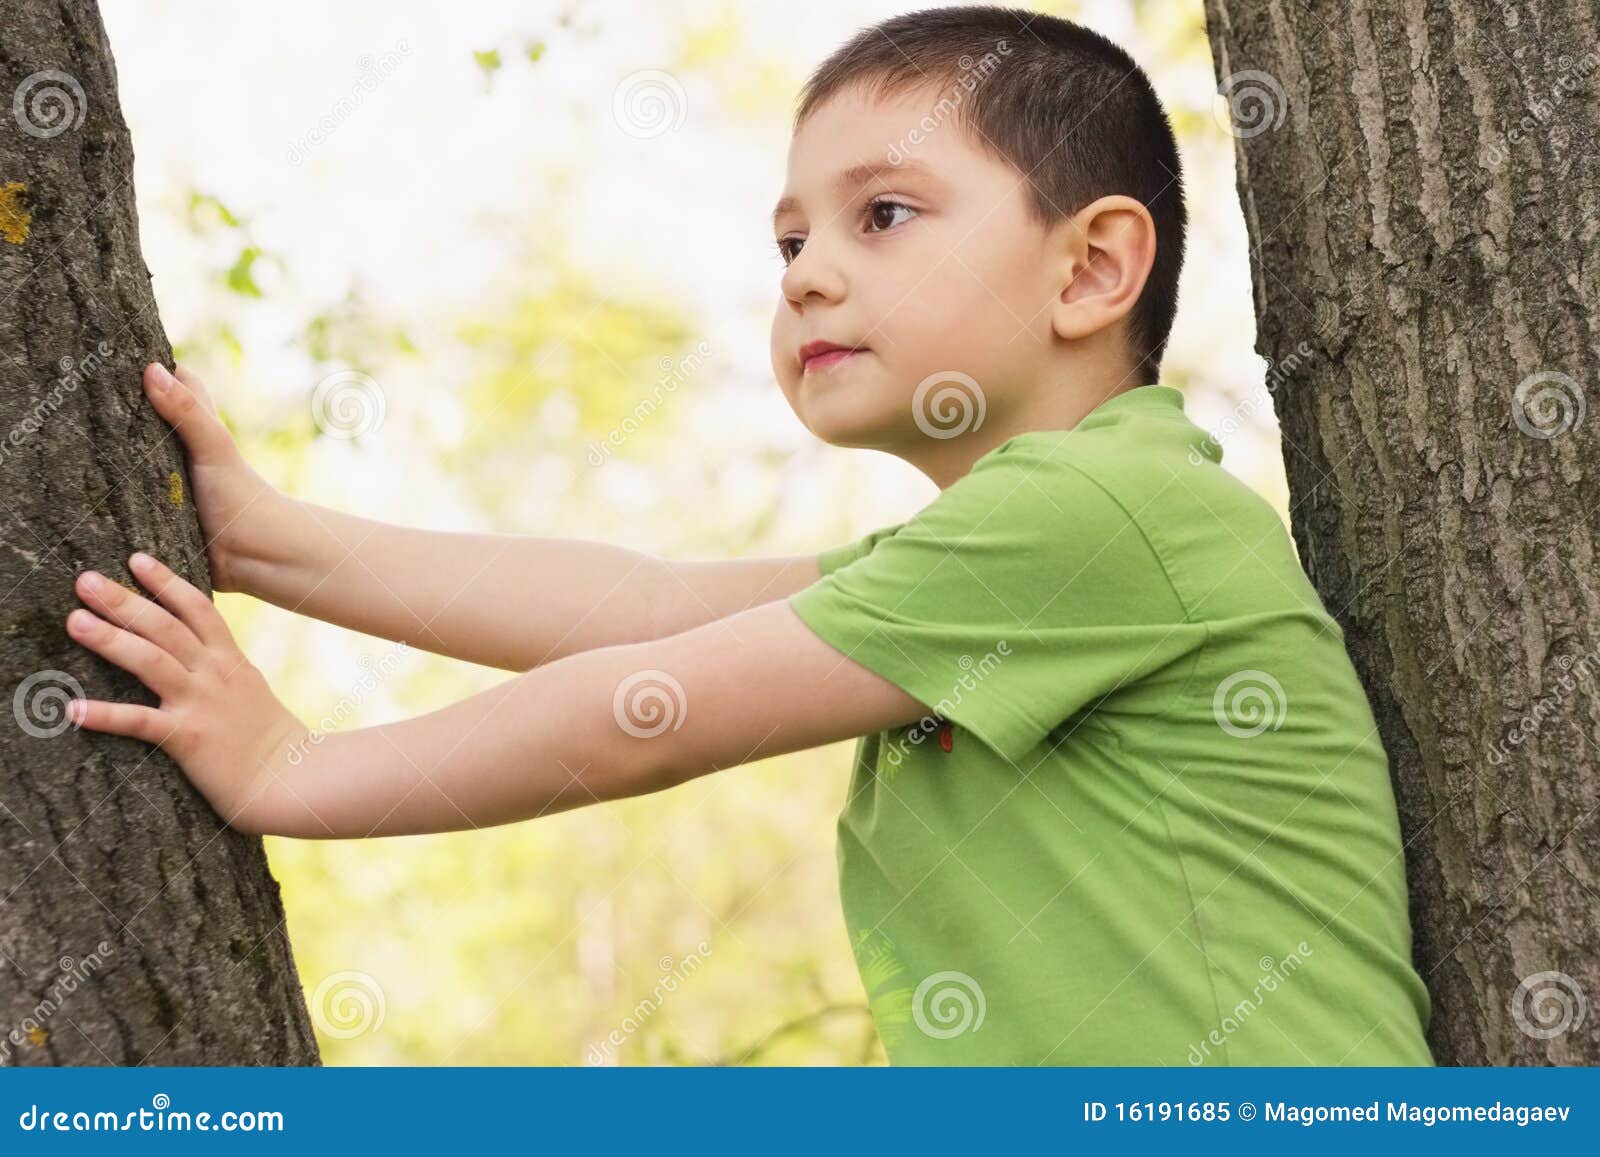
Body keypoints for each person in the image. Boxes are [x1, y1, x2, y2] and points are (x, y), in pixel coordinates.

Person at [61, 5, 1432, 1065]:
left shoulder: (1104, 514)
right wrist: (265, 540)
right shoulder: (1021, 553)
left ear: (1089, 268)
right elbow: (650, 613)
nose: (810, 271)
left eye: (883, 215)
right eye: (790, 243)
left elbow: (641, 712)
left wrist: (294, 768)